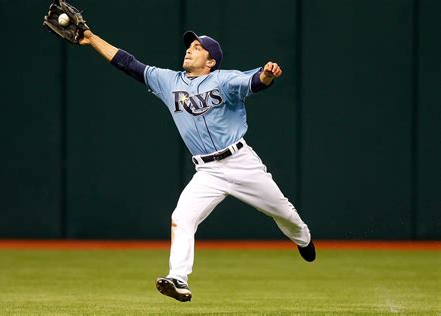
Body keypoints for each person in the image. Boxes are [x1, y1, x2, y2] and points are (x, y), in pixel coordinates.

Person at [79, 29, 316, 302]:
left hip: (240, 162)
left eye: (197, 47)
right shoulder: (168, 81)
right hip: (207, 171)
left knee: (284, 212)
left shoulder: (224, 80)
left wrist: (267, 74)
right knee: (182, 218)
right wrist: (90, 37)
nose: (189, 49)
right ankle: (178, 279)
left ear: (211, 61)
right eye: (189, 46)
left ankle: (303, 238)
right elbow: (128, 63)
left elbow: (255, 81)